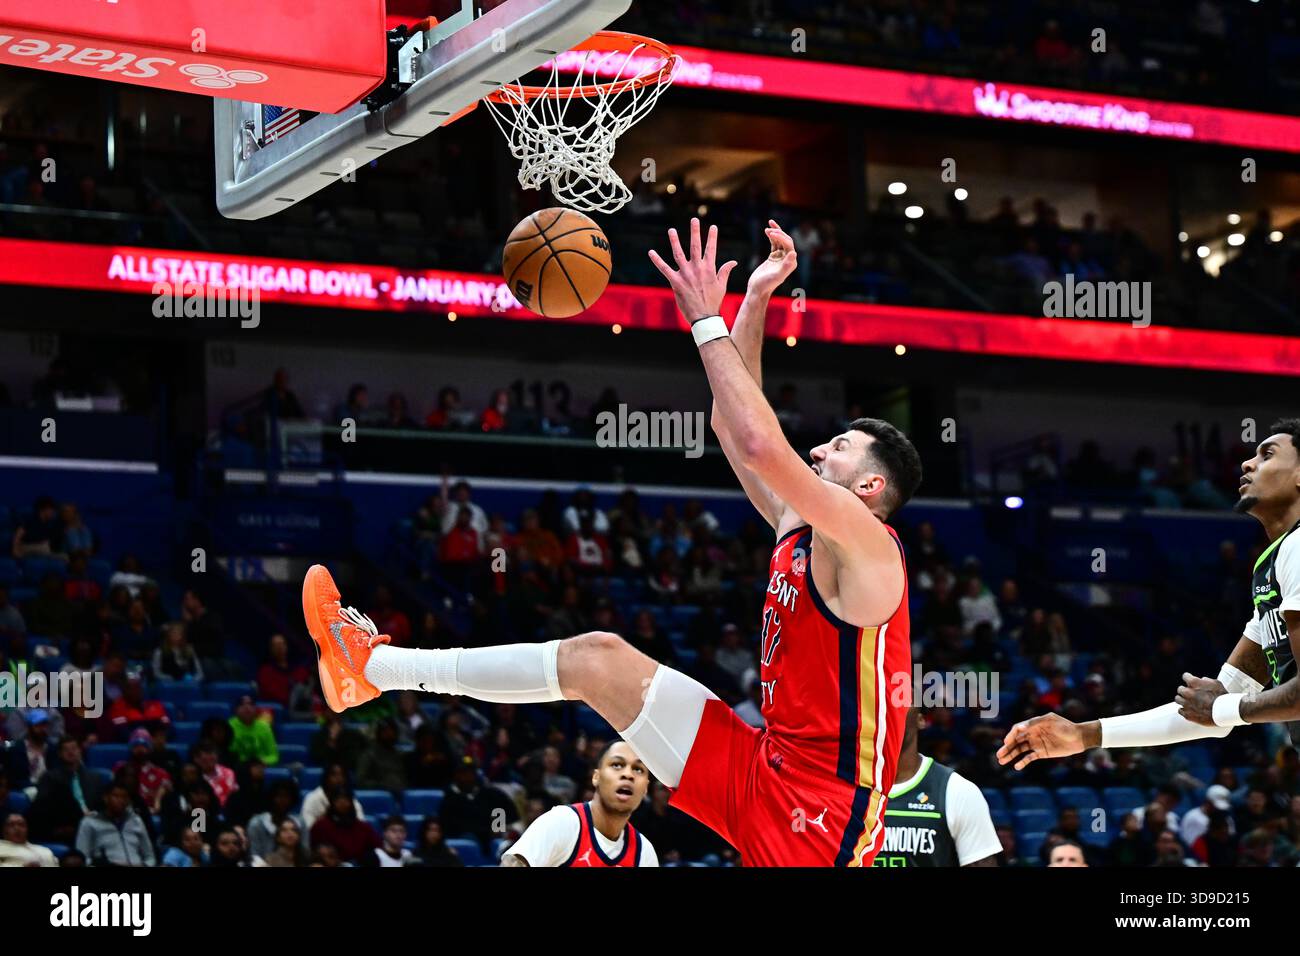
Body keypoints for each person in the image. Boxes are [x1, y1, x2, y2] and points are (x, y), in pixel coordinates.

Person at [303, 220, 921, 866]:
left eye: (841, 447)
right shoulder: (804, 524)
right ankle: (369, 670)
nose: (821, 448)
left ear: (871, 484)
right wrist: (759, 296)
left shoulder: (871, 546)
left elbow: (765, 443)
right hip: (765, 760)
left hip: (821, 820)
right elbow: (733, 426)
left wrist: (705, 319)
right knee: (594, 659)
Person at [998, 420, 1300, 766]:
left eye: (1268, 454)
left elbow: (1220, 709)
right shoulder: (1275, 562)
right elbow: (1206, 716)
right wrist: (1085, 734)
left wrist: (1221, 708)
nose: (1248, 463)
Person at [873, 709, 1000, 867]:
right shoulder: (840, 787)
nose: (889, 708)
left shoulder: (957, 790)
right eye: (882, 696)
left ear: (921, 720)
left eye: (901, 698)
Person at [503, 740, 657, 867]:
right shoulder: (563, 821)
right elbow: (513, 863)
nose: (628, 774)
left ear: (645, 789)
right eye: (617, 765)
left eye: (638, 769)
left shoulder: (644, 853)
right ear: (596, 777)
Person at [75, 782, 156, 866]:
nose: (121, 800)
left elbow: (150, 857)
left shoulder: (136, 820)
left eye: (124, 797)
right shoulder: (90, 822)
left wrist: (145, 865)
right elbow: (82, 858)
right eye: (116, 796)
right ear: (105, 798)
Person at [228, 695, 280, 767]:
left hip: (261, 767)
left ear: (256, 709)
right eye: (242, 705)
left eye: (251, 704)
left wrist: (263, 762)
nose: (247, 708)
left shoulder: (264, 727)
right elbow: (226, 755)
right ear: (236, 710)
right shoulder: (229, 726)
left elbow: (274, 756)